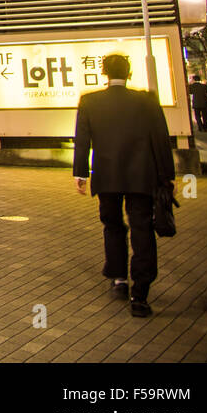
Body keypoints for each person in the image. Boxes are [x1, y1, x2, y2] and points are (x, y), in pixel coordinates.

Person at [73, 53, 176, 318]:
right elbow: (161, 140)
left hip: (107, 176)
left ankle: (118, 278)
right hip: (142, 176)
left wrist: (81, 173)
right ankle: (140, 294)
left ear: (105, 73)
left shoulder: (90, 101)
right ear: (129, 72)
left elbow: (82, 140)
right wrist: (167, 176)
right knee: (142, 229)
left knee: (112, 226)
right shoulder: (146, 101)